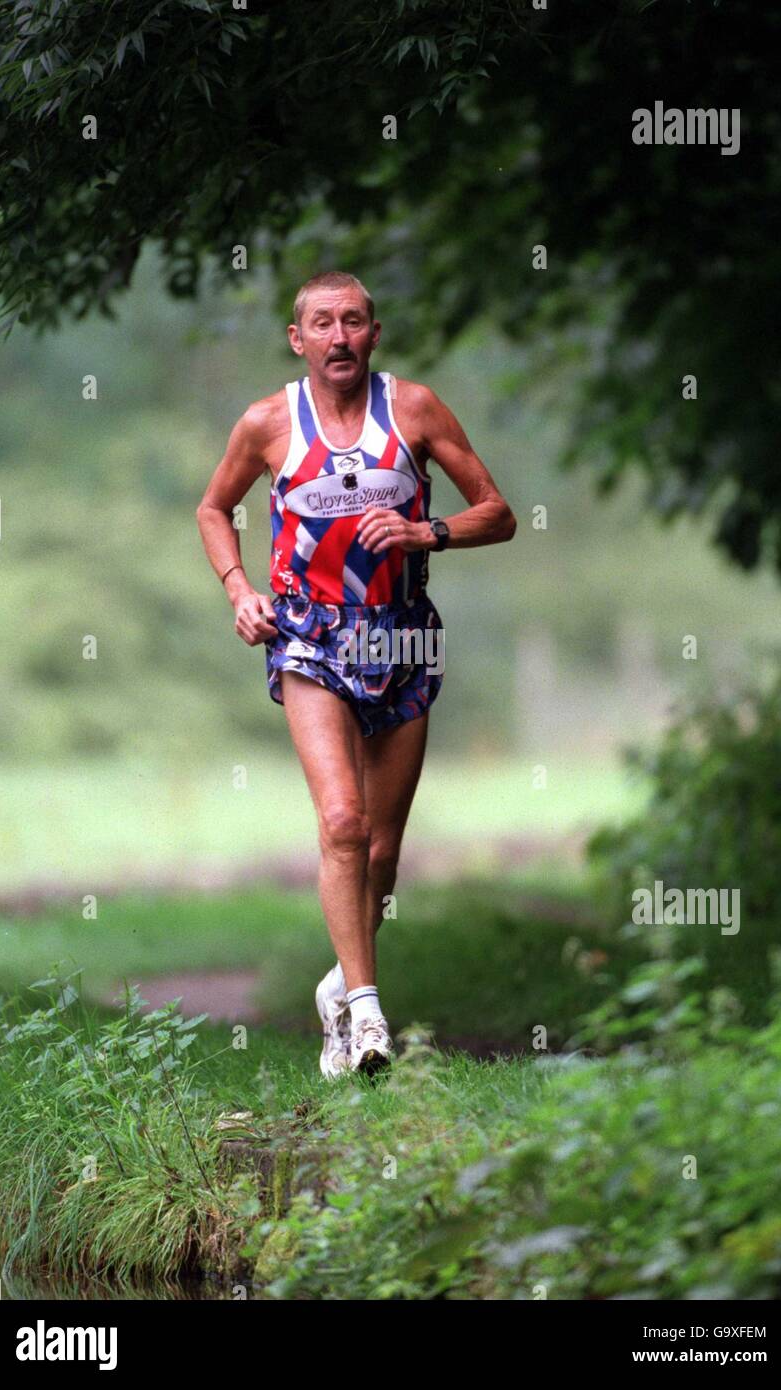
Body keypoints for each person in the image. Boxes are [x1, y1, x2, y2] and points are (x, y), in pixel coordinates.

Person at [196, 271, 516, 1077]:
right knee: (341, 822)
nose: (338, 336)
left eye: (353, 322)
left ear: (374, 334)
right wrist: (240, 591)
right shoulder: (268, 423)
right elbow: (212, 508)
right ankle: (369, 1019)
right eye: (321, 323)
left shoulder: (414, 410)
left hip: (401, 638)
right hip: (308, 635)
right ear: (297, 339)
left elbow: (497, 512)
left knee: (379, 855)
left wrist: (425, 533)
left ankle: (342, 982)